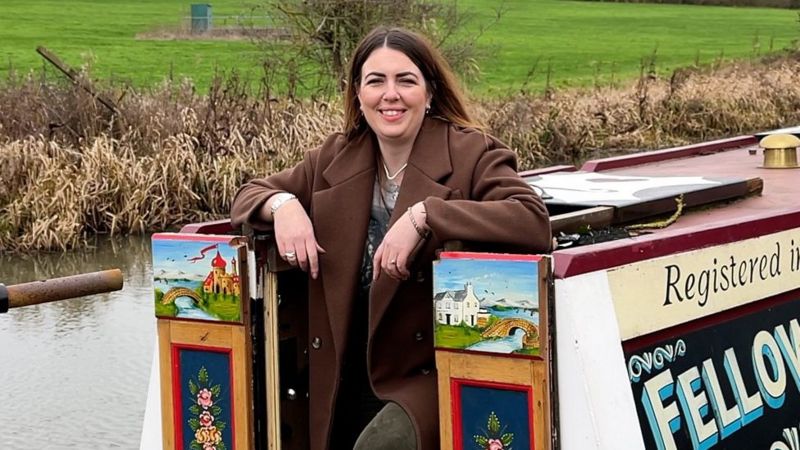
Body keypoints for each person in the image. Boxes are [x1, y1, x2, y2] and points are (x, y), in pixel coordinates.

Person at [230, 26, 551, 450]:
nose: (390, 95)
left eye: (406, 80)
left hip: (424, 374)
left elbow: (531, 221)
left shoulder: (470, 153)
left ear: (429, 92)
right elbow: (247, 196)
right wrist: (284, 205)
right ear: (358, 94)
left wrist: (426, 216)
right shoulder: (334, 157)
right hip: (341, 375)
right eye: (376, 81)